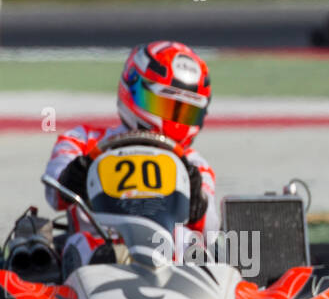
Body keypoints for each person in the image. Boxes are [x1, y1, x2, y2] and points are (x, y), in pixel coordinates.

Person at [44, 40, 215, 265]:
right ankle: (106, 260)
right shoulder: (82, 140)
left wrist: (196, 200)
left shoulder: (193, 164)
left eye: (185, 114)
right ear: (132, 89)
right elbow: (54, 194)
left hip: (168, 258)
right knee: (81, 242)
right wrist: (76, 174)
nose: (173, 121)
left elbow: (210, 227)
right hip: (99, 246)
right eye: (164, 106)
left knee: (193, 241)